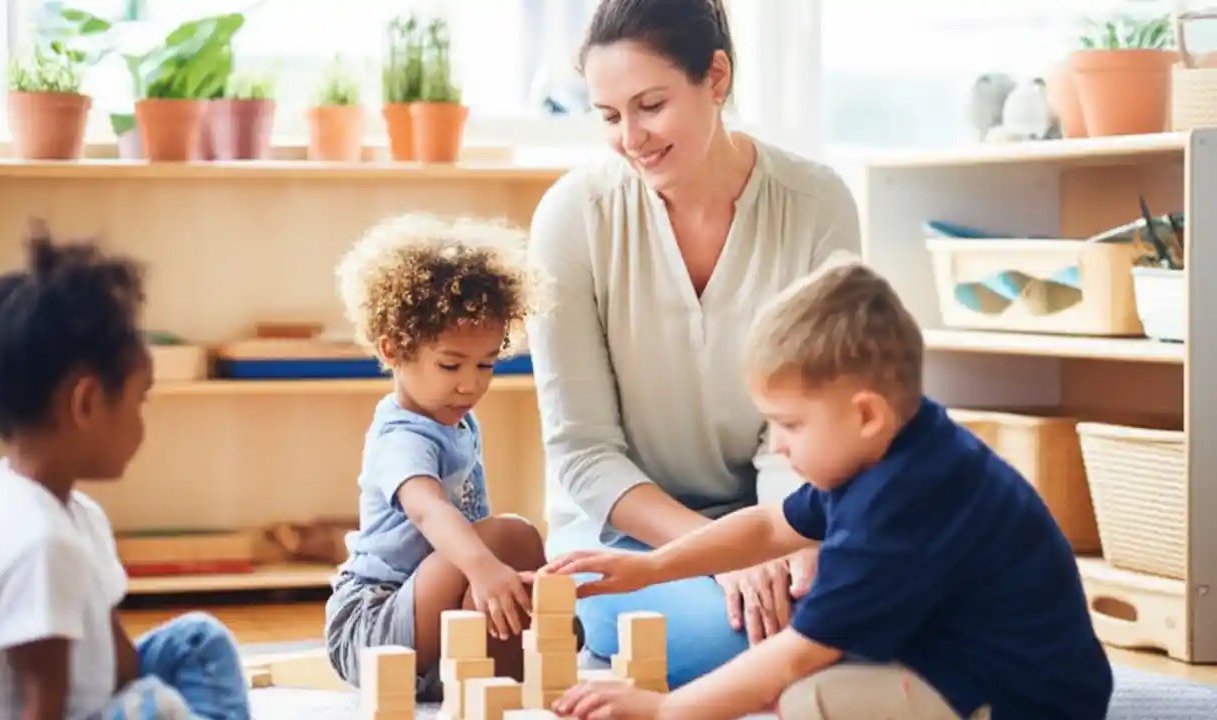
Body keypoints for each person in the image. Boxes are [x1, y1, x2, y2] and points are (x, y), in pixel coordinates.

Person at [543, 260, 1115, 720]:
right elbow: (770, 527)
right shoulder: (898, 444)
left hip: (1024, 699)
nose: (781, 445)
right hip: (975, 661)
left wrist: (667, 710)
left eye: (791, 425)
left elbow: (800, 652)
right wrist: (653, 568)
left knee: (807, 697)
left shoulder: (899, 503)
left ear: (865, 414)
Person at [525, 0, 859, 686]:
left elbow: (811, 422)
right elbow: (584, 452)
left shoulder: (817, 203)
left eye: (651, 104)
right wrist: (718, 554)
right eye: (610, 116)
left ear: (716, 77)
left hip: (783, 513)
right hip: (627, 534)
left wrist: (785, 541)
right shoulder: (571, 219)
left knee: (889, 611)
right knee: (738, 644)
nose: (632, 138)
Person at [0, 229, 251, 720]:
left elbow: (119, 661)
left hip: (87, 698)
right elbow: (44, 706)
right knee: (157, 708)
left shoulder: (68, 513)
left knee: (198, 642)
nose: (143, 421)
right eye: (137, 399)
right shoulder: (37, 543)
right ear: (86, 404)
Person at [324, 214, 574, 699]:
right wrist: (482, 566)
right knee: (505, 536)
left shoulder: (454, 417)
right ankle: (509, 657)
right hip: (373, 622)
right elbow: (427, 508)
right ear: (394, 350)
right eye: (450, 364)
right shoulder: (401, 434)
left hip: (429, 627)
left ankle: (507, 670)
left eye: (486, 364)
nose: (471, 383)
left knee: (516, 539)